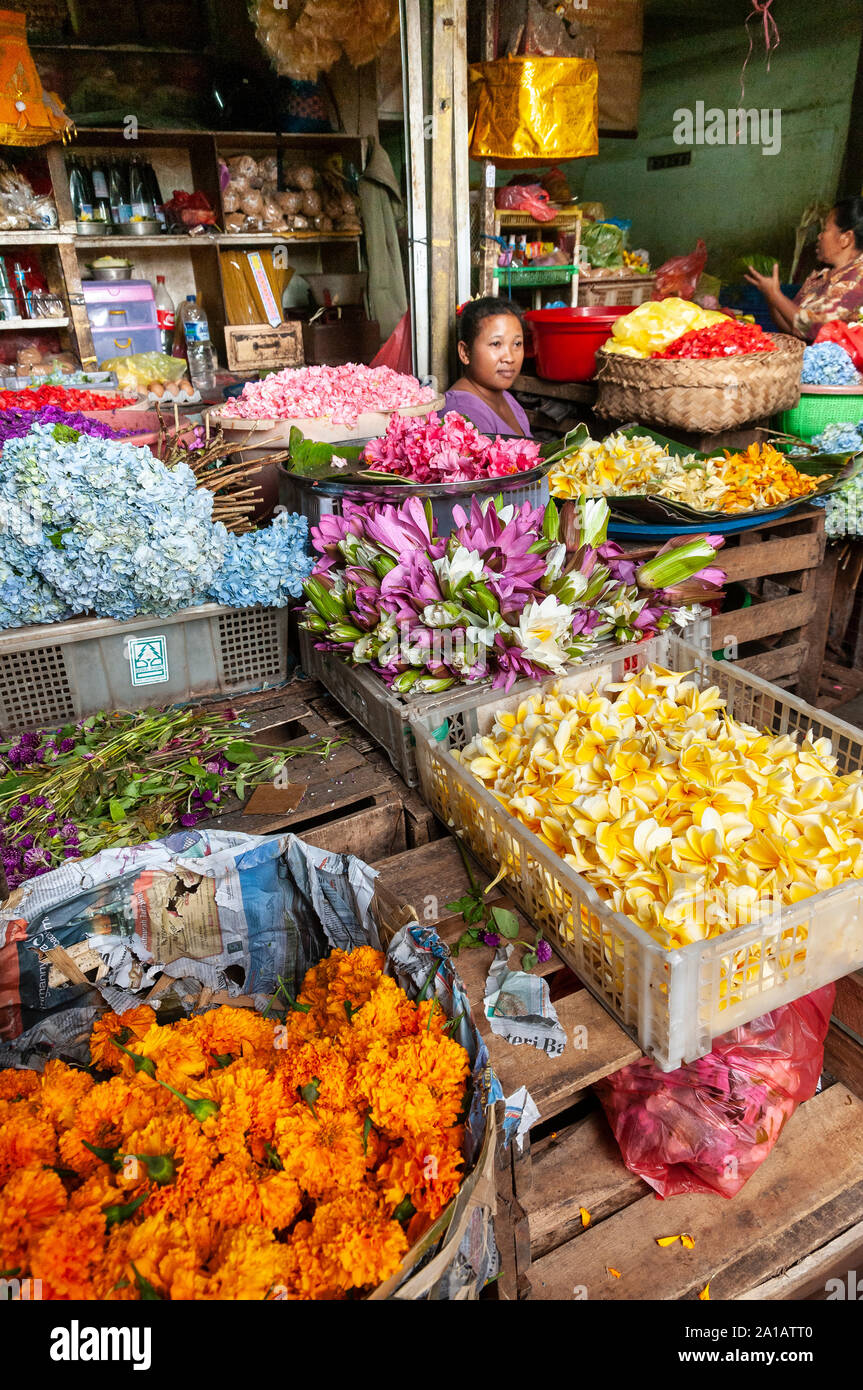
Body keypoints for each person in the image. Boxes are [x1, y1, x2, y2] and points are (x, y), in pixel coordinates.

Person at [744, 198, 863, 341]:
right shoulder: (822, 272)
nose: (820, 236)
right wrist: (770, 295)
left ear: (846, 238)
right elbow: (791, 327)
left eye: (824, 229)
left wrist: (775, 294)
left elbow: (818, 330)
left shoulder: (858, 279)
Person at [444, 296, 532, 436]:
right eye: (496, 344)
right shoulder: (461, 412)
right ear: (465, 352)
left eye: (517, 344)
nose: (509, 358)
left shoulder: (507, 398)